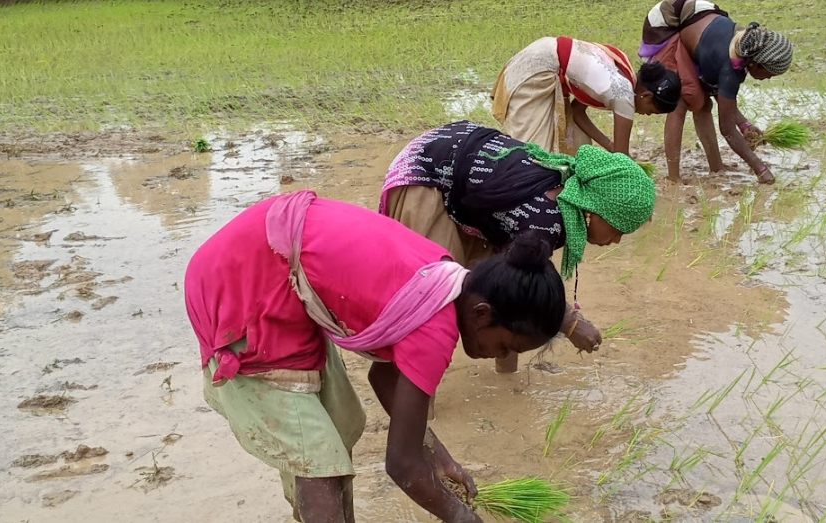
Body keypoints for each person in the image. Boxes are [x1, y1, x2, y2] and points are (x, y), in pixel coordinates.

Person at [184, 190, 566, 523]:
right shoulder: (433, 328)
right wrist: (462, 516)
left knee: (341, 425)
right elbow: (401, 465)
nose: (498, 355)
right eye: (505, 346)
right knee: (318, 459)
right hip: (243, 280)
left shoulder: (444, 280)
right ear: (482, 314)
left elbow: (385, 377)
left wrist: (441, 459)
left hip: (274, 261)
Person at [380, 120, 657, 379]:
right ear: (595, 210)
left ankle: (506, 378)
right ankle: (414, 399)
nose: (616, 240)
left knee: (506, 295)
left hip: (465, 175)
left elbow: (517, 290)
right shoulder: (544, 220)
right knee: (431, 301)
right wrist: (570, 323)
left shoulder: (566, 192)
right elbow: (522, 288)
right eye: (619, 229)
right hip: (429, 170)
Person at [639, 0, 794, 184]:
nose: (768, 78)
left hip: (693, 19)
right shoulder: (731, 67)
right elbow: (727, 129)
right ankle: (674, 177)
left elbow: (723, 98)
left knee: (703, 104)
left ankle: (716, 167)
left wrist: (745, 125)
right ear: (756, 63)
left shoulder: (745, 45)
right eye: (769, 73)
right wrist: (760, 169)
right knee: (681, 99)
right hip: (665, 23)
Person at [491, 36, 682, 157]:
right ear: (646, 95)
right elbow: (622, 159)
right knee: (531, 153)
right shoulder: (623, 93)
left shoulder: (625, 72)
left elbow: (577, 112)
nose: (647, 115)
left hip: (542, 55)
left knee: (577, 147)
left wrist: (609, 145)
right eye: (652, 111)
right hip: (536, 69)